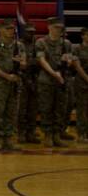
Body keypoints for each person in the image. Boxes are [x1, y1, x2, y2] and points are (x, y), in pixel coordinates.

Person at [0, 19, 24, 152]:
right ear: (1, 30)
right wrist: (6, 76)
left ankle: (8, 139)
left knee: (11, 112)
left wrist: (21, 63)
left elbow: (24, 63)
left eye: (12, 28)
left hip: (14, 82)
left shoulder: (18, 46)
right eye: (7, 28)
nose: (11, 31)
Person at [34, 17, 73, 149]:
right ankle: (48, 135)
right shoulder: (41, 42)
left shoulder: (66, 43)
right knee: (46, 108)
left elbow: (69, 59)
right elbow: (41, 60)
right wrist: (54, 73)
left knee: (60, 108)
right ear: (49, 27)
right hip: (47, 80)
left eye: (60, 28)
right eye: (56, 28)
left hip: (62, 80)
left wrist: (67, 62)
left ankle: (57, 134)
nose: (59, 30)